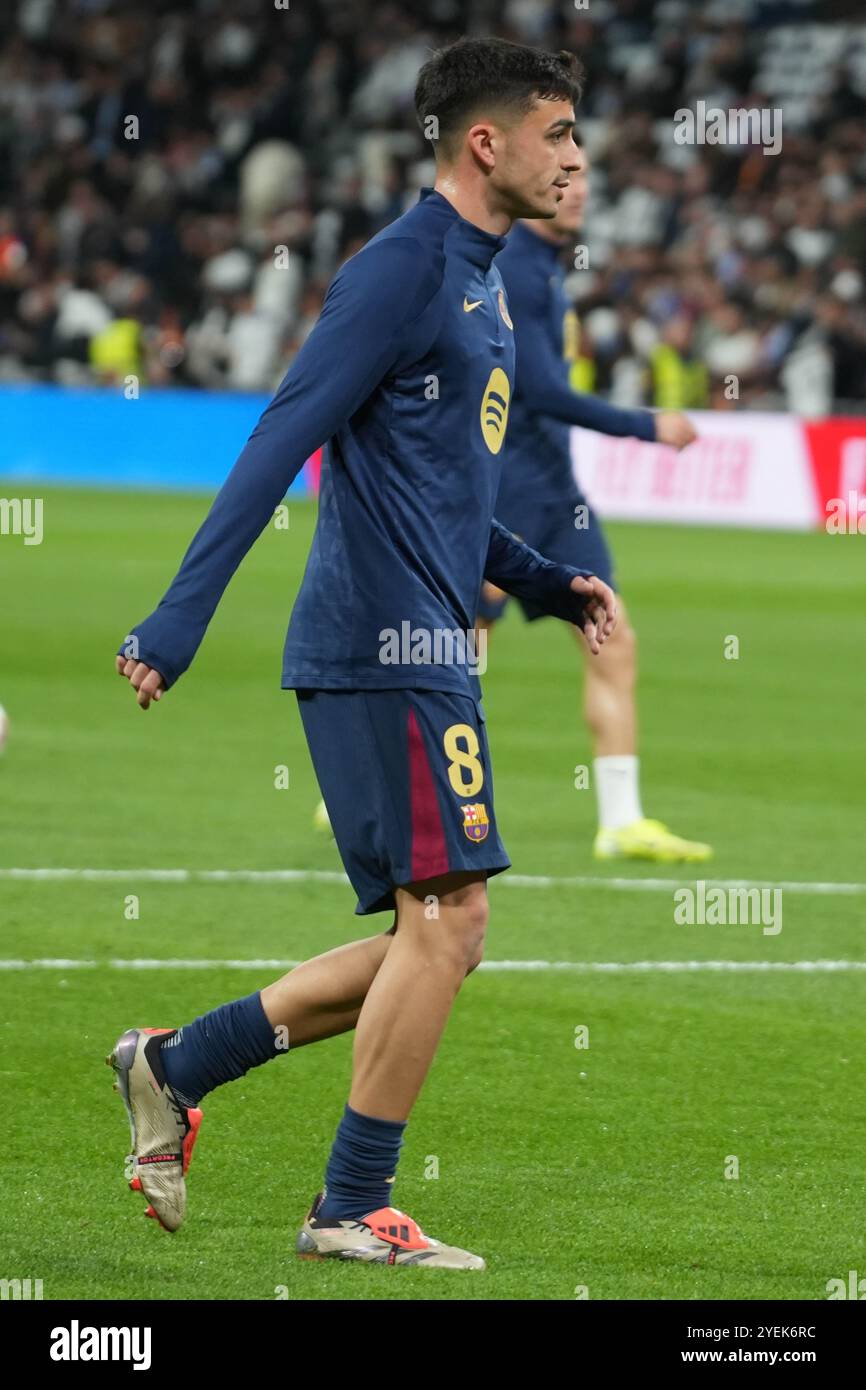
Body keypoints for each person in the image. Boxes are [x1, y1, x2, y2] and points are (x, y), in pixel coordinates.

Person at [110, 38, 616, 1271]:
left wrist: (539, 580)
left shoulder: (484, 284)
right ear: (484, 143)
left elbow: (440, 491)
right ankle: (350, 1203)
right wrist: (182, 612)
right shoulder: (399, 271)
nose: (577, 158)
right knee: (447, 922)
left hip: (426, 640)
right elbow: (286, 431)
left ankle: (173, 1067)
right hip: (383, 644)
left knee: (437, 933)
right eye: (559, 133)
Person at [476, 143, 711, 863]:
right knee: (455, 648)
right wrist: (647, 426)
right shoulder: (515, 263)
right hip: (506, 483)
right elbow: (538, 390)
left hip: (552, 490)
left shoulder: (543, 268)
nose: (574, 193)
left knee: (610, 635)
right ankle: (378, 787)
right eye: (563, 179)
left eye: (581, 182)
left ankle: (620, 820)